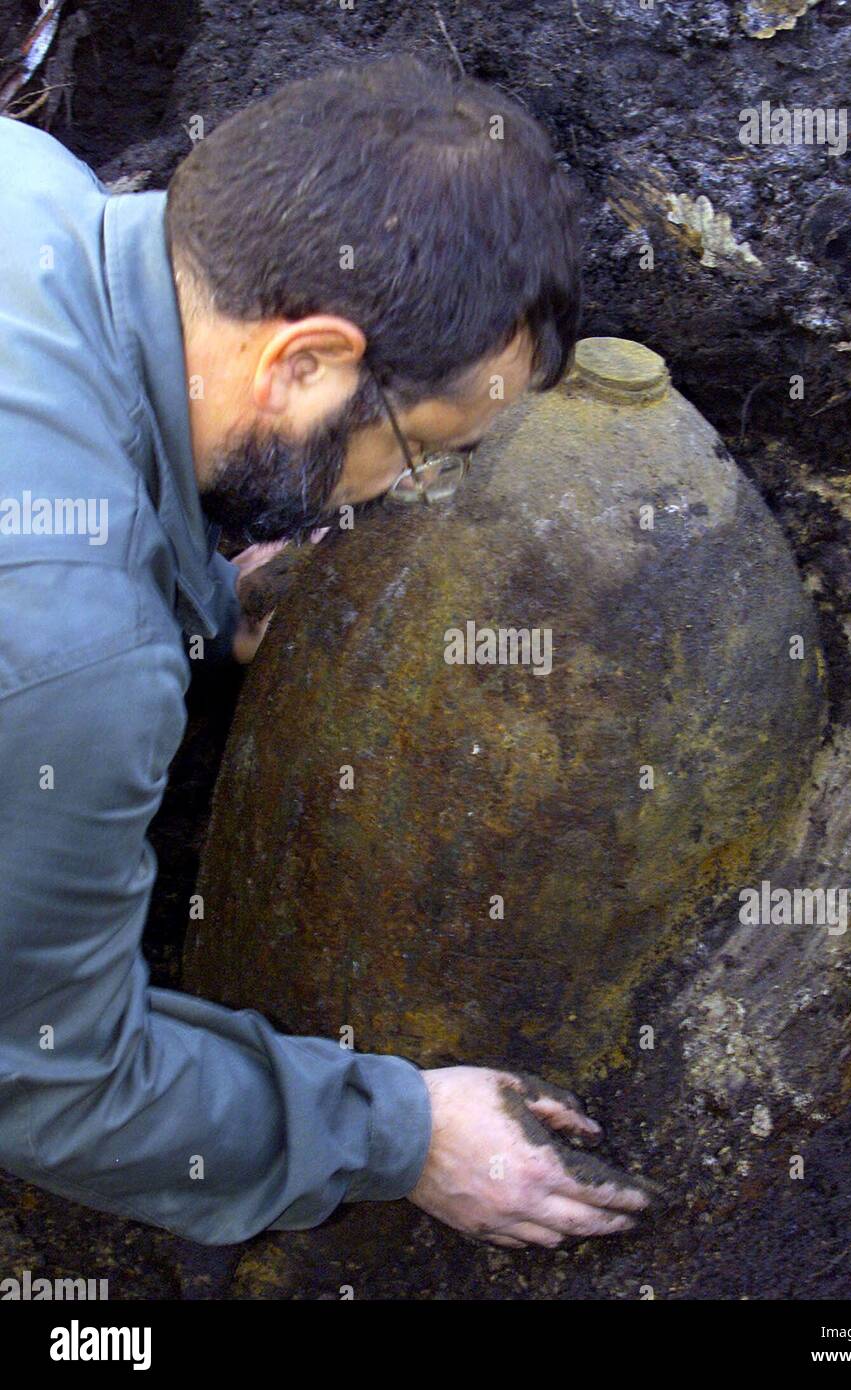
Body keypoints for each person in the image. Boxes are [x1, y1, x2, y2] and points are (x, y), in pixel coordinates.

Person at [0, 54, 650, 1251]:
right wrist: (401, 1133)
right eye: (418, 446)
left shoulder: (29, 177)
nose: (402, 488)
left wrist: (194, 584)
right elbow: (48, 1079)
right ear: (303, 362)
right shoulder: (75, 660)